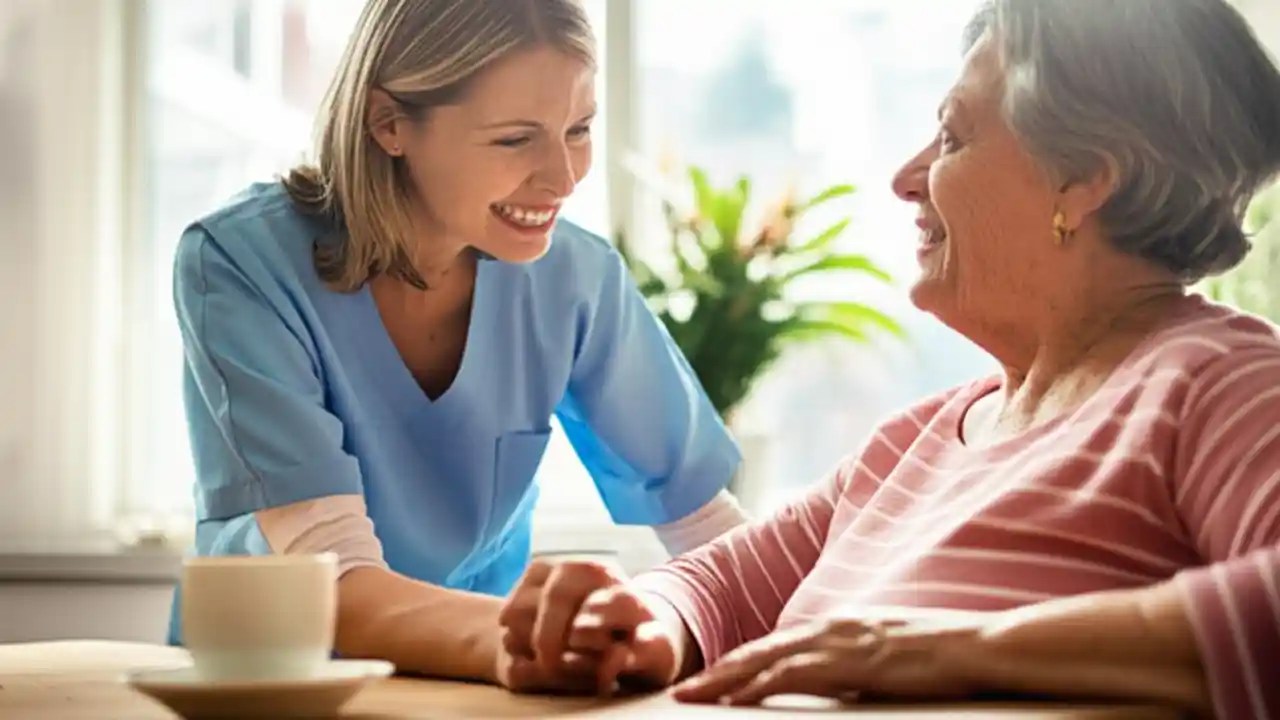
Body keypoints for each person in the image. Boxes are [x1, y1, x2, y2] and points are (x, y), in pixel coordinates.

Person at [498, 0, 1280, 717]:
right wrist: (633, 623)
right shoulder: (913, 442)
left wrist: (950, 652)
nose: (908, 179)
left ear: (1080, 183)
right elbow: (716, 587)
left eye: (952, 137)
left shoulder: (1221, 382)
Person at [169, 0, 747, 688]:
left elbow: (714, 534)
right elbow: (332, 580)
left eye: (580, 130)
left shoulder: (575, 278)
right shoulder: (241, 262)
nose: (563, 177)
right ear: (389, 124)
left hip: (479, 682)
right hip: (274, 683)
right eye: (514, 140)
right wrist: (532, 641)